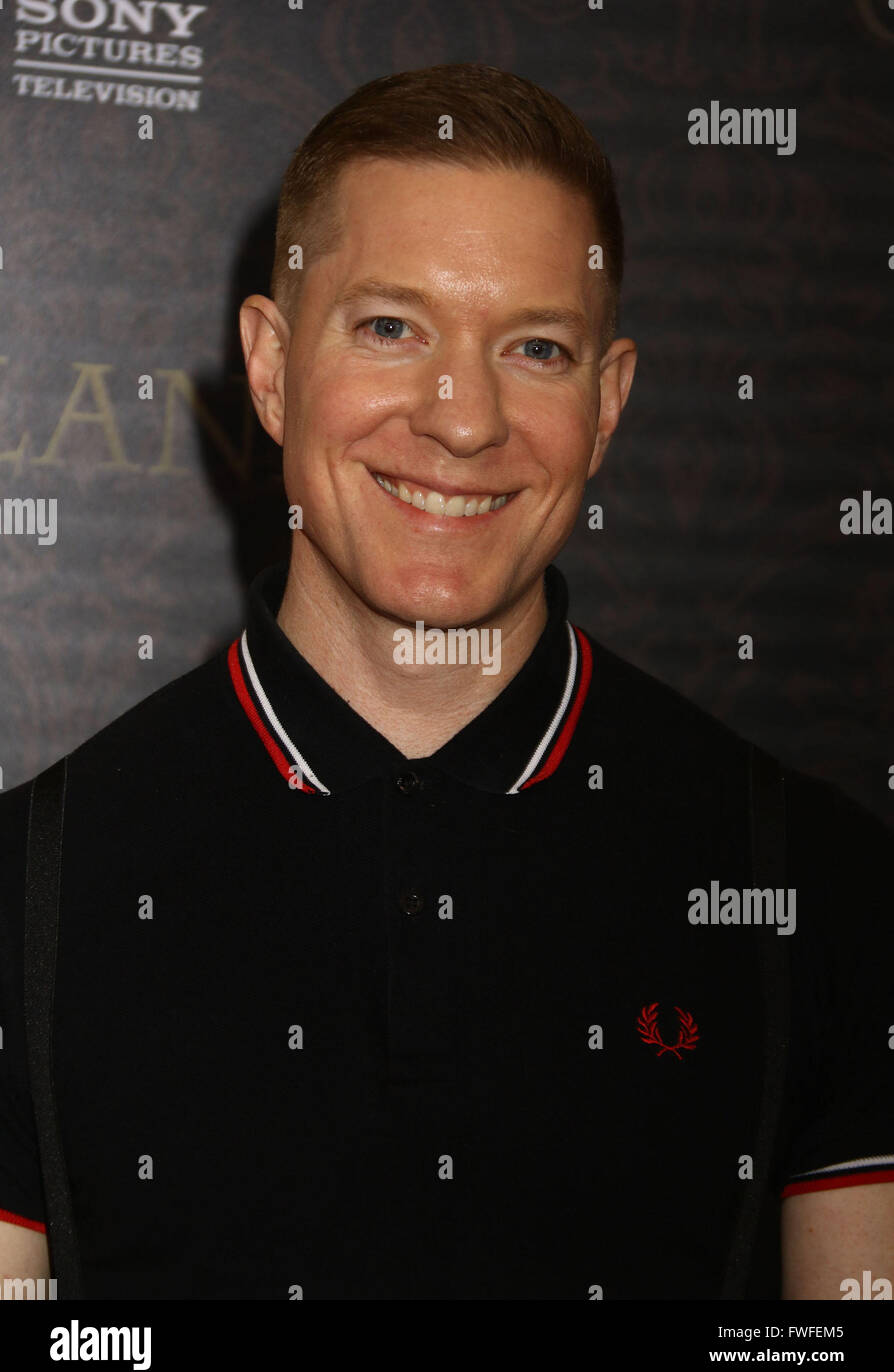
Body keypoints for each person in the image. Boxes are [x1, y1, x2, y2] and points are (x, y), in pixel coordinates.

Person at [1, 63, 892, 1301]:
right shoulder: (29, 895)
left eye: (534, 346)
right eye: (390, 328)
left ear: (609, 402)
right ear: (268, 366)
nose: (463, 418)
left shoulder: (820, 887)